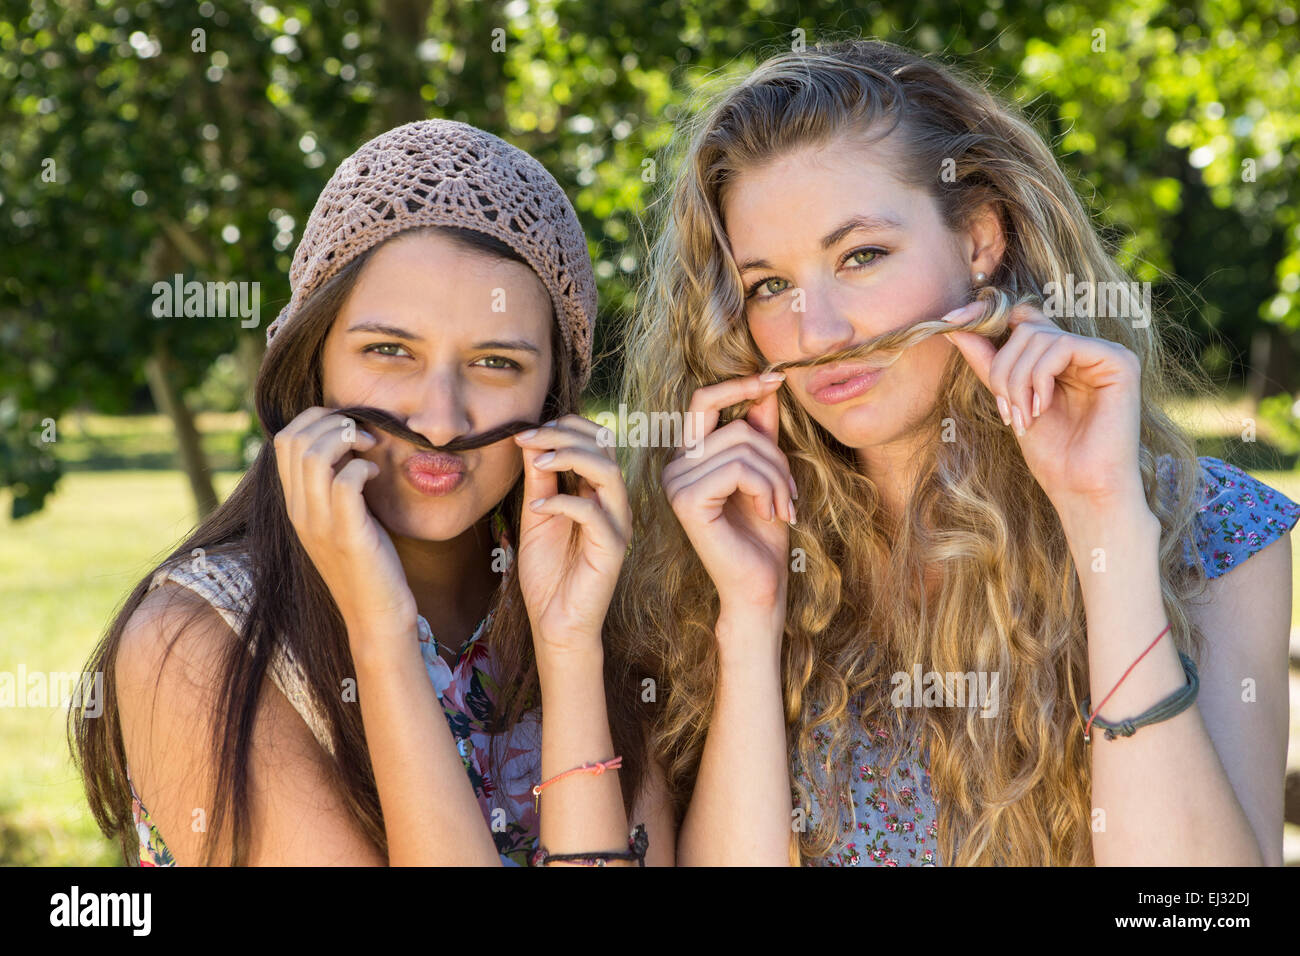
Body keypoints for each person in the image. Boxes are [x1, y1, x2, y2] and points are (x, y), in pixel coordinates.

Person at [615, 39, 1297, 865]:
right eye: (768, 286)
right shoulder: (711, 555)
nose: (817, 330)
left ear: (978, 240)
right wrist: (752, 618)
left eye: (859, 256)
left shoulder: (1211, 530)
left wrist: (1104, 526)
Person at [71, 119, 672, 866]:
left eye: (496, 363)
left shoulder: (614, 612)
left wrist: (571, 651)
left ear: (555, 398)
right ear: (311, 361)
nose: (441, 422)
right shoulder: (195, 643)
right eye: (390, 351)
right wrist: (382, 633)